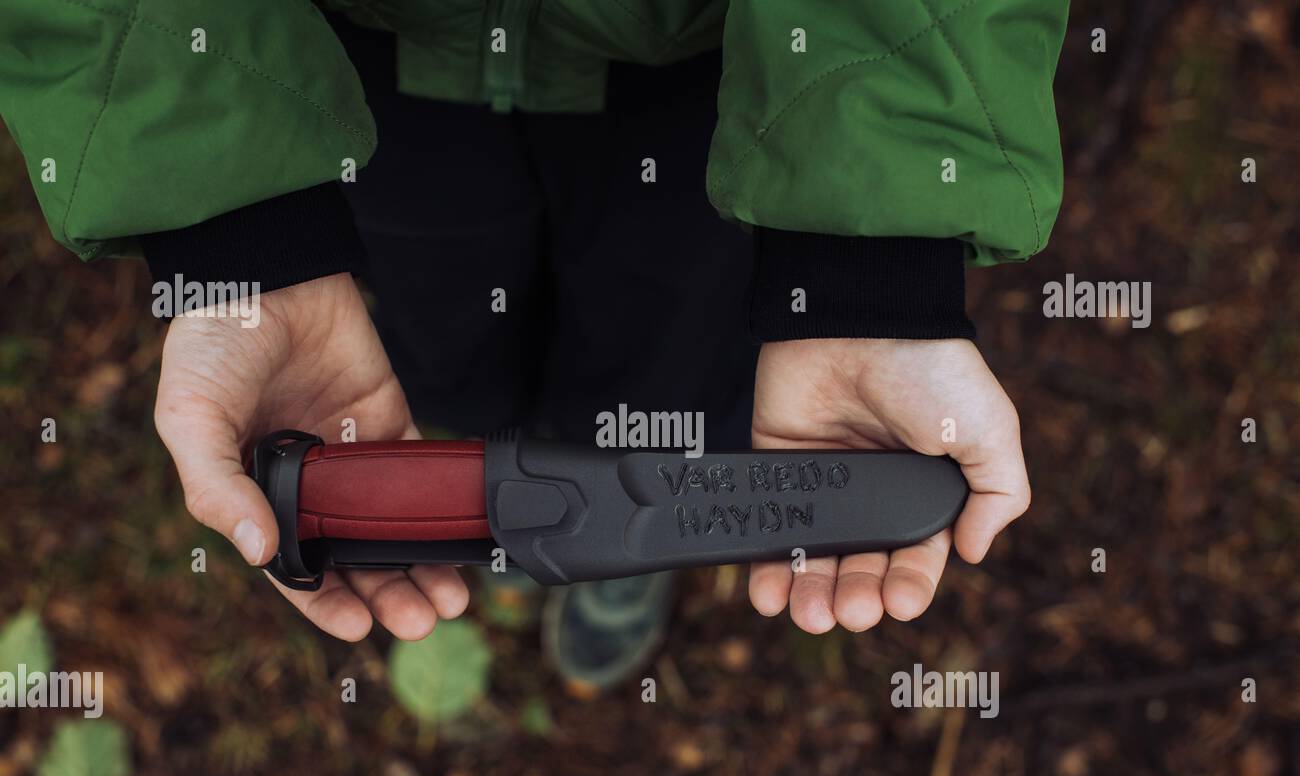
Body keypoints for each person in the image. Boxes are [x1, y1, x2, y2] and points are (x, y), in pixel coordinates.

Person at [0, 1, 1064, 688]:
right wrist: (238, 231)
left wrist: (864, 267)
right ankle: (484, 494)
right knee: (437, 322)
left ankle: (630, 537)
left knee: (669, 328)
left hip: (718, 51)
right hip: (351, 51)